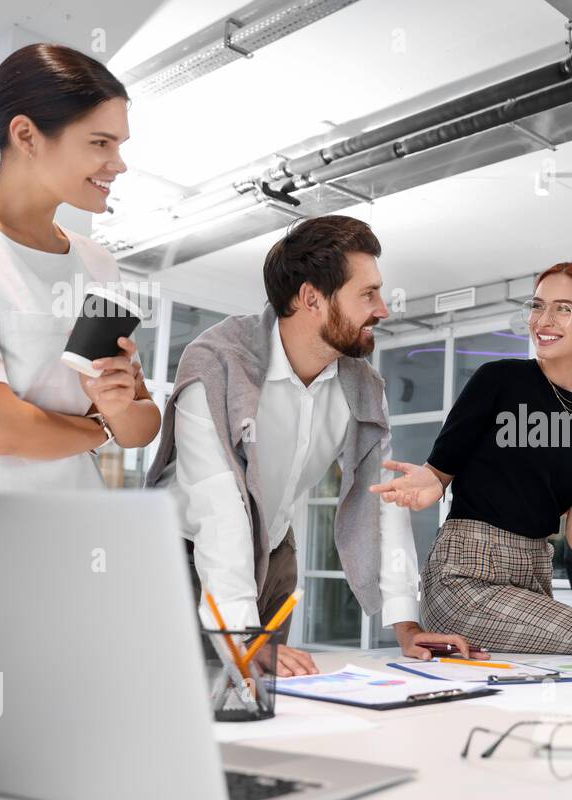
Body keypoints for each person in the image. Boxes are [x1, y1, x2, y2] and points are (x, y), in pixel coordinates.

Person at [145, 215, 477, 676]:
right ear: (310, 298)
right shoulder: (219, 363)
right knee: (176, 706)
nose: (383, 308)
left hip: (274, 556)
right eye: (367, 293)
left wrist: (406, 622)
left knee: (263, 711)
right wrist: (242, 635)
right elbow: (219, 505)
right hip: (179, 552)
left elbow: (384, 498)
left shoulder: (362, 386)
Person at [371, 262, 572, 657]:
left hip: (533, 577)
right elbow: (438, 471)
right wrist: (428, 482)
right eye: (537, 306)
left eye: (563, 308)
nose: (543, 321)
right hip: (464, 579)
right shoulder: (499, 380)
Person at [0, 43, 158, 489]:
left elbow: (141, 425)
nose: (118, 164)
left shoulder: (97, 262)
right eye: (100, 142)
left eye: (120, 145)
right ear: (26, 136)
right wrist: (103, 428)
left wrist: (117, 409)